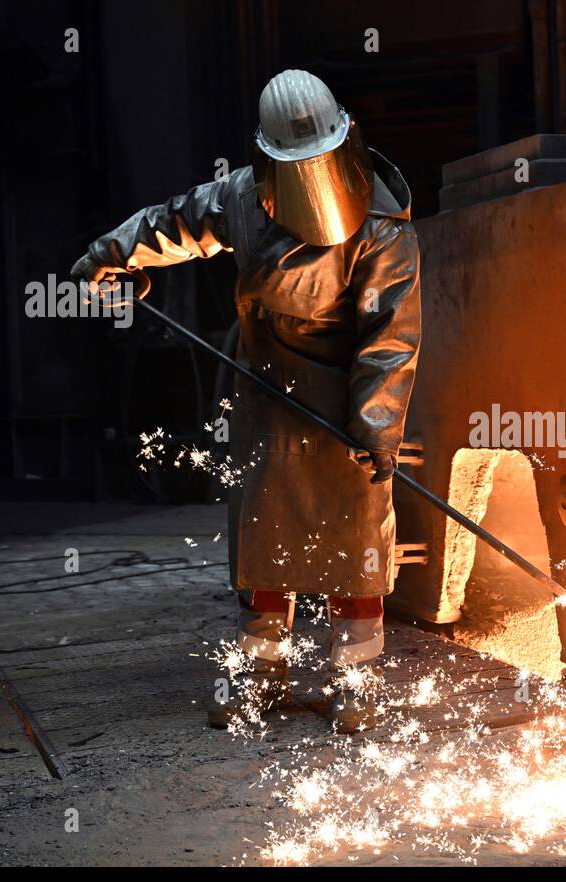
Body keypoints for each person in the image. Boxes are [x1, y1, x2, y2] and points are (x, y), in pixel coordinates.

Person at [71, 70, 420, 733]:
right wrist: (111, 254)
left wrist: (376, 420)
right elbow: (173, 221)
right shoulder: (244, 198)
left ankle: (357, 677)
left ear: (342, 143)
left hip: (348, 397)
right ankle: (262, 672)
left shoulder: (381, 224)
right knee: (265, 536)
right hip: (267, 385)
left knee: (355, 545)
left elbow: (390, 337)